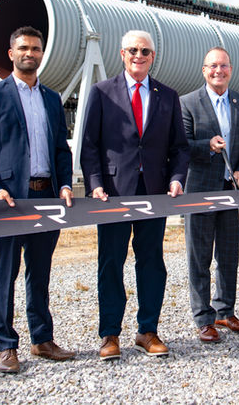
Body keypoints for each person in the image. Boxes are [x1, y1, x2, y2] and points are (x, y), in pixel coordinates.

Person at [0, 26, 76, 374]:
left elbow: (60, 149)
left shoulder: (52, 99)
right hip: (10, 200)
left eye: (36, 48)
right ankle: (6, 345)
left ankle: (42, 339)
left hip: (45, 197)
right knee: (5, 273)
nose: (30, 53)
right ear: (11, 54)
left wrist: (66, 185)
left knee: (39, 273)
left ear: (43, 54)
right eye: (24, 48)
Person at [79, 30, 190, 360]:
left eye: (145, 51)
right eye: (133, 50)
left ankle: (148, 331)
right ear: (122, 54)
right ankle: (110, 335)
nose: (139, 55)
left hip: (154, 191)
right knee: (111, 262)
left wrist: (176, 178)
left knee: (152, 261)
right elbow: (90, 145)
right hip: (112, 192)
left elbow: (179, 148)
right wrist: (95, 182)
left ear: (152, 57)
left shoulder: (168, 96)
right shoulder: (102, 93)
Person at [180, 47, 239, 343]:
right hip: (200, 190)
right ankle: (204, 318)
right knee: (199, 257)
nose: (219, 71)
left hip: (232, 190)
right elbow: (180, 145)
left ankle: (225, 310)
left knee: (228, 254)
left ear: (231, 69)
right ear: (204, 70)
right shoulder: (187, 103)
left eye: (224, 65)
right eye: (213, 66)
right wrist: (206, 145)